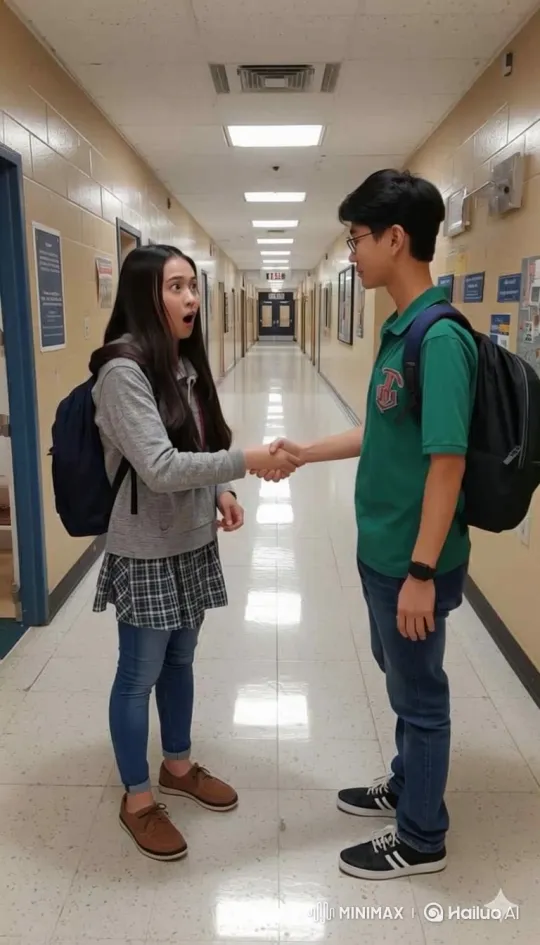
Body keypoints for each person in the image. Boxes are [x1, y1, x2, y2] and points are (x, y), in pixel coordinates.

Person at [260, 169, 478, 880]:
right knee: (401, 679)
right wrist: (303, 451)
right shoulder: (400, 328)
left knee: (421, 692)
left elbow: (447, 466)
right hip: (381, 549)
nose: (350, 254)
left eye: (356, 239)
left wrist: (421, 572)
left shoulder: (439, 339)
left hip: (413, 559)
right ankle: (405, 779)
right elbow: (382, 434)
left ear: (396, 238)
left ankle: (421, 835)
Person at [90, 244, 299, 861]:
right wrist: (251, 459)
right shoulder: (123, 372)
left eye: (193, 287)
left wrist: (223, 489)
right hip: (147, 549)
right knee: (138, 675)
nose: (191, 299)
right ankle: (136, 799)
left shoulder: (179, 363)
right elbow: (157, 466)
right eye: (176, 287)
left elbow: (195, 443)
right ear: (144, 296)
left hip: (191, 540)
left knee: (180, 662)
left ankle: (177, 766)